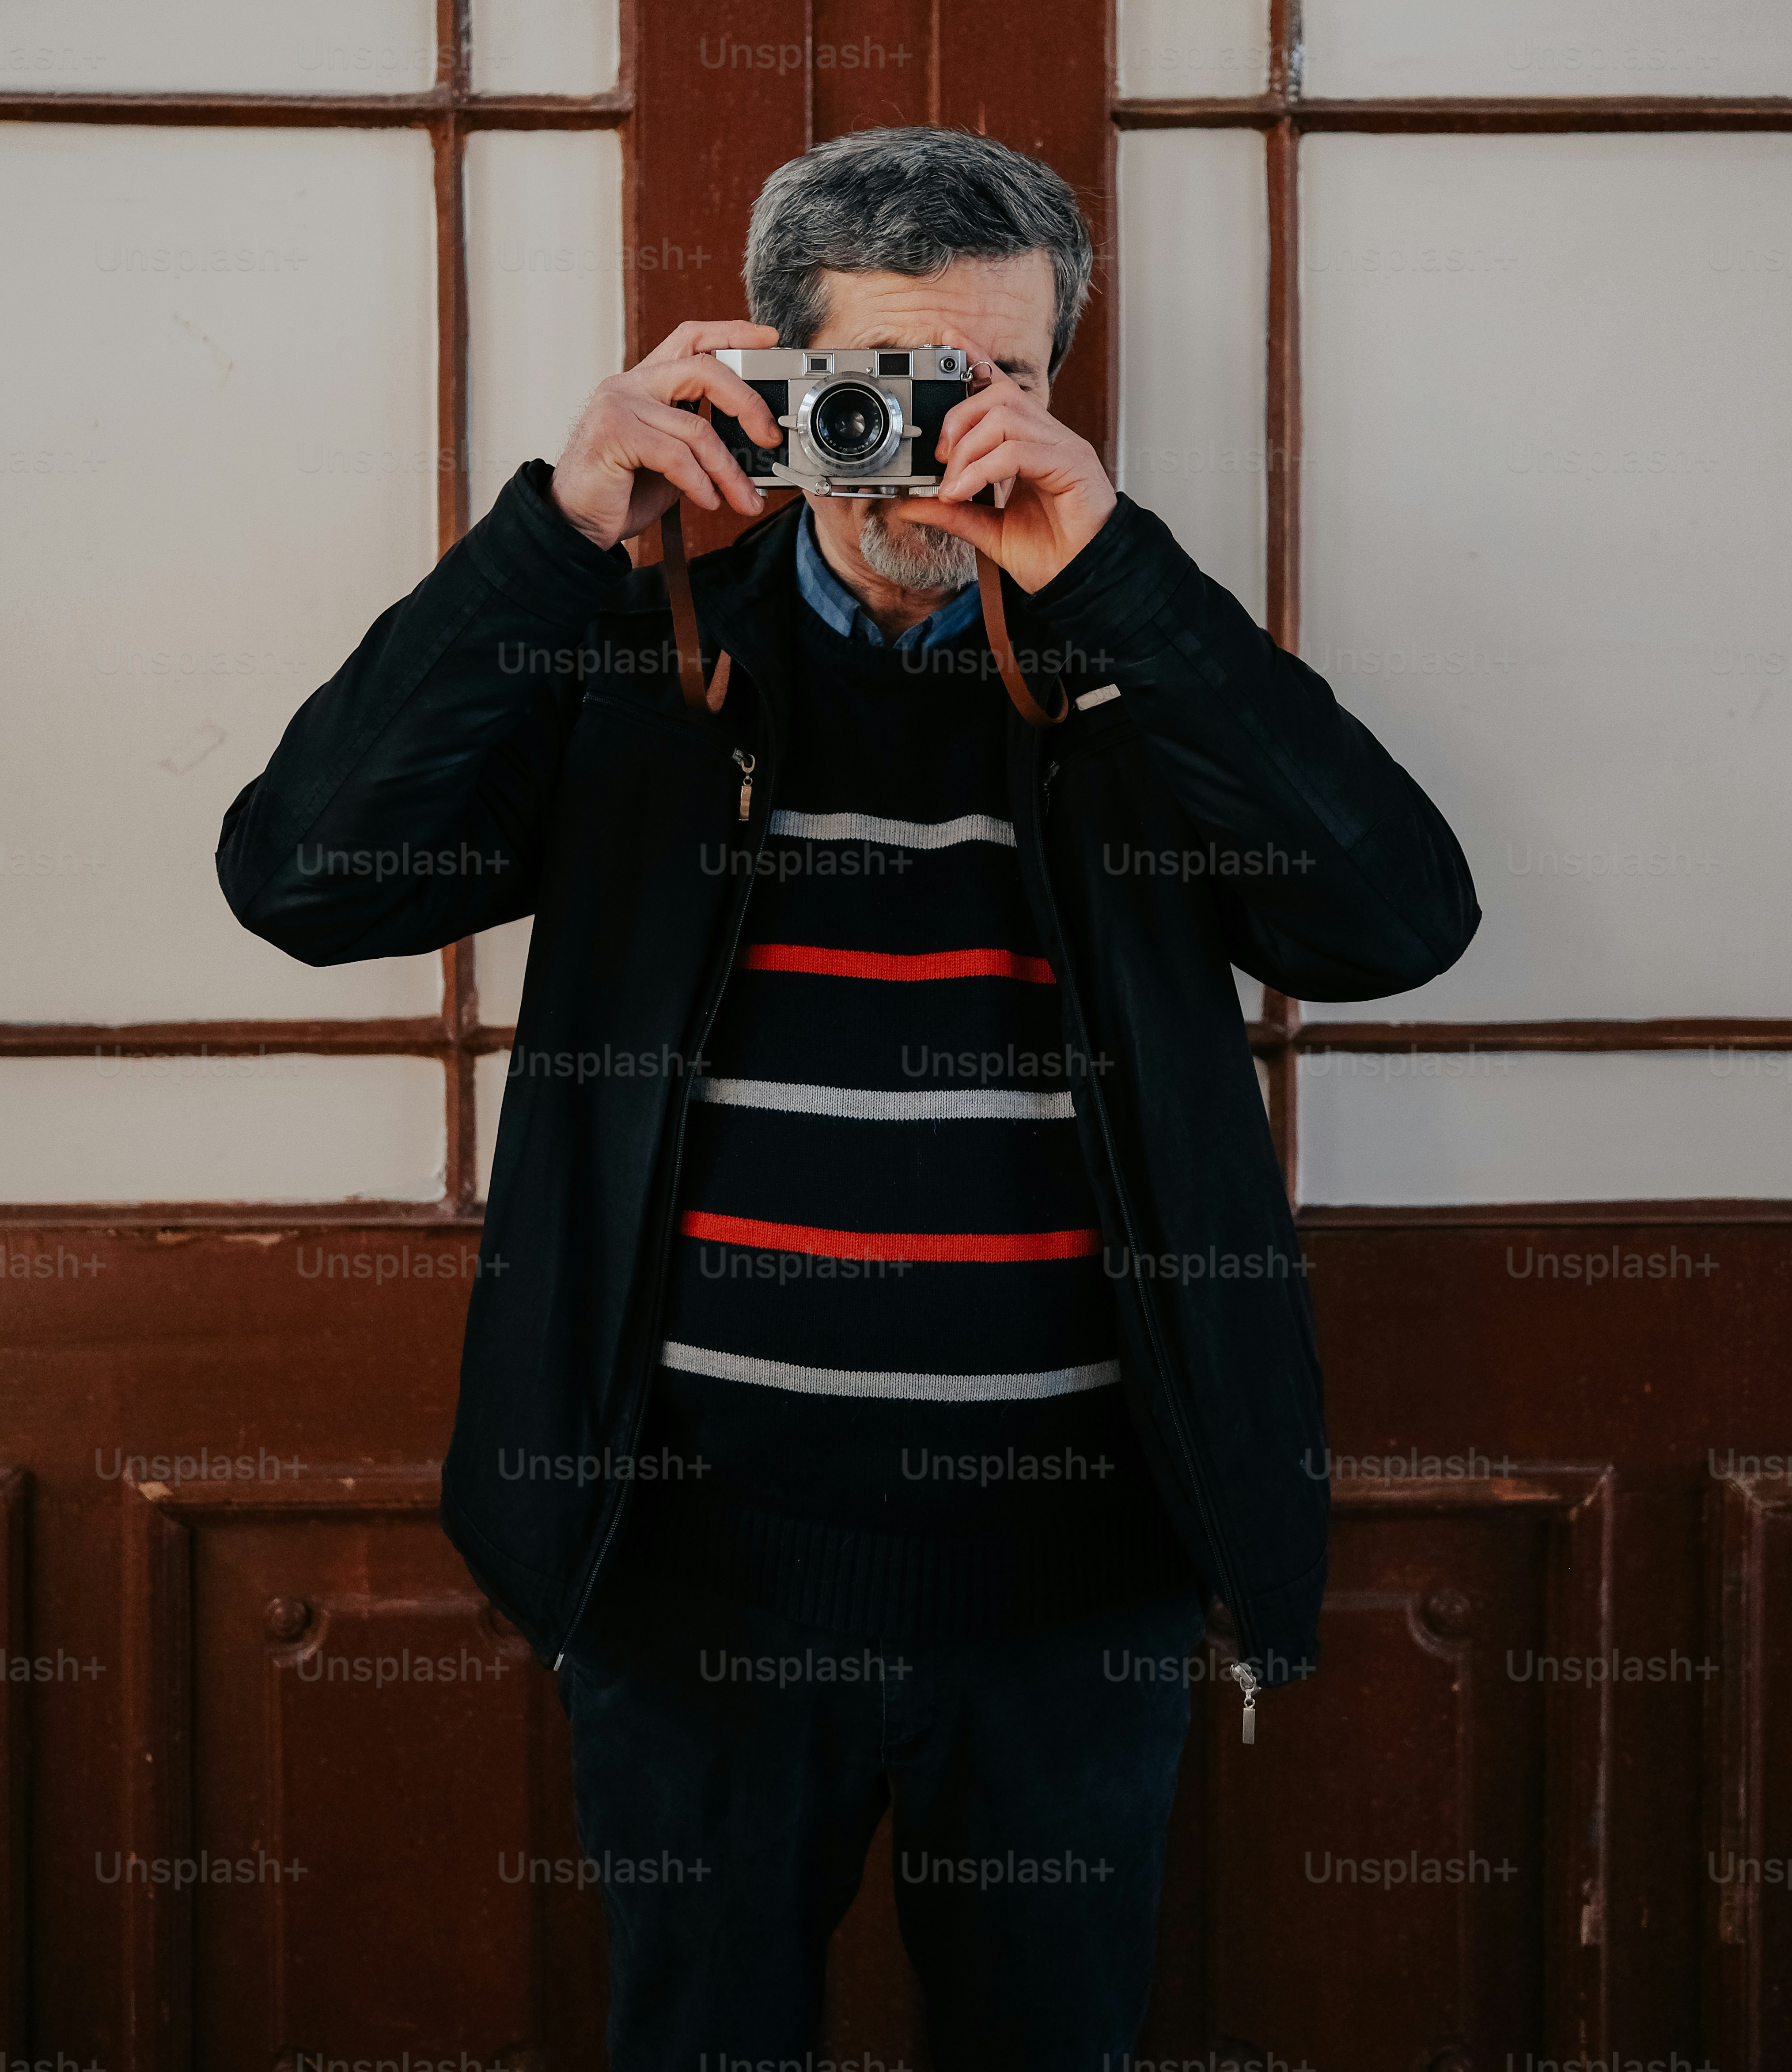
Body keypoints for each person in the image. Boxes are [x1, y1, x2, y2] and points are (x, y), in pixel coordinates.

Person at [218, 125, 1479, 2070]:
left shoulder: (1129, 686)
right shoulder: (643, 672)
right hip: (693, 1586)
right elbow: (300, 879)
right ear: (770, 384)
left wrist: (1117, 582)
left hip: (1072, 1592)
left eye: (992, 384)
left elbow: (1398, 920)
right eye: (876, 380)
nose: (926, 432)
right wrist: (554, 529)